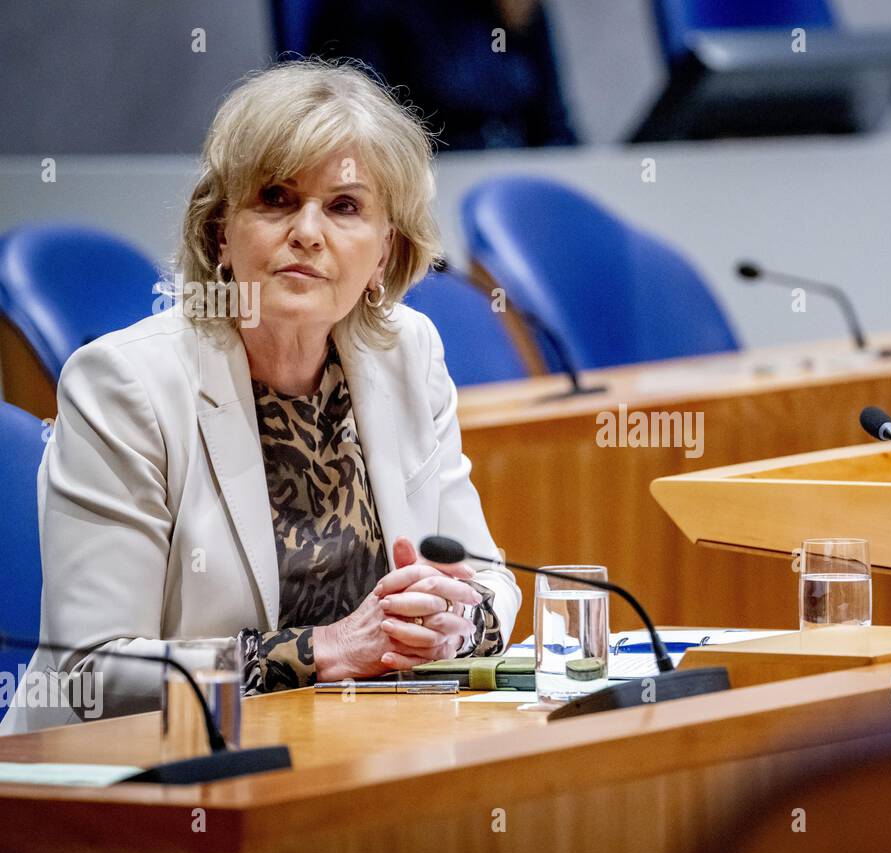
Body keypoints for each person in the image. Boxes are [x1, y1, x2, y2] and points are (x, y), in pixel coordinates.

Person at [1, 60, 519, 733]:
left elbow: (488, 576)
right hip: (138, 780)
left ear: (386, 251)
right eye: (275, 198)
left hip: (343, 750)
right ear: (222, 232)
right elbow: (95, 673)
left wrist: (453, 625)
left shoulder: (406, 353)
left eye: (344, 206)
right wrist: (323, 650)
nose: (307, 230)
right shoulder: (124, 384)